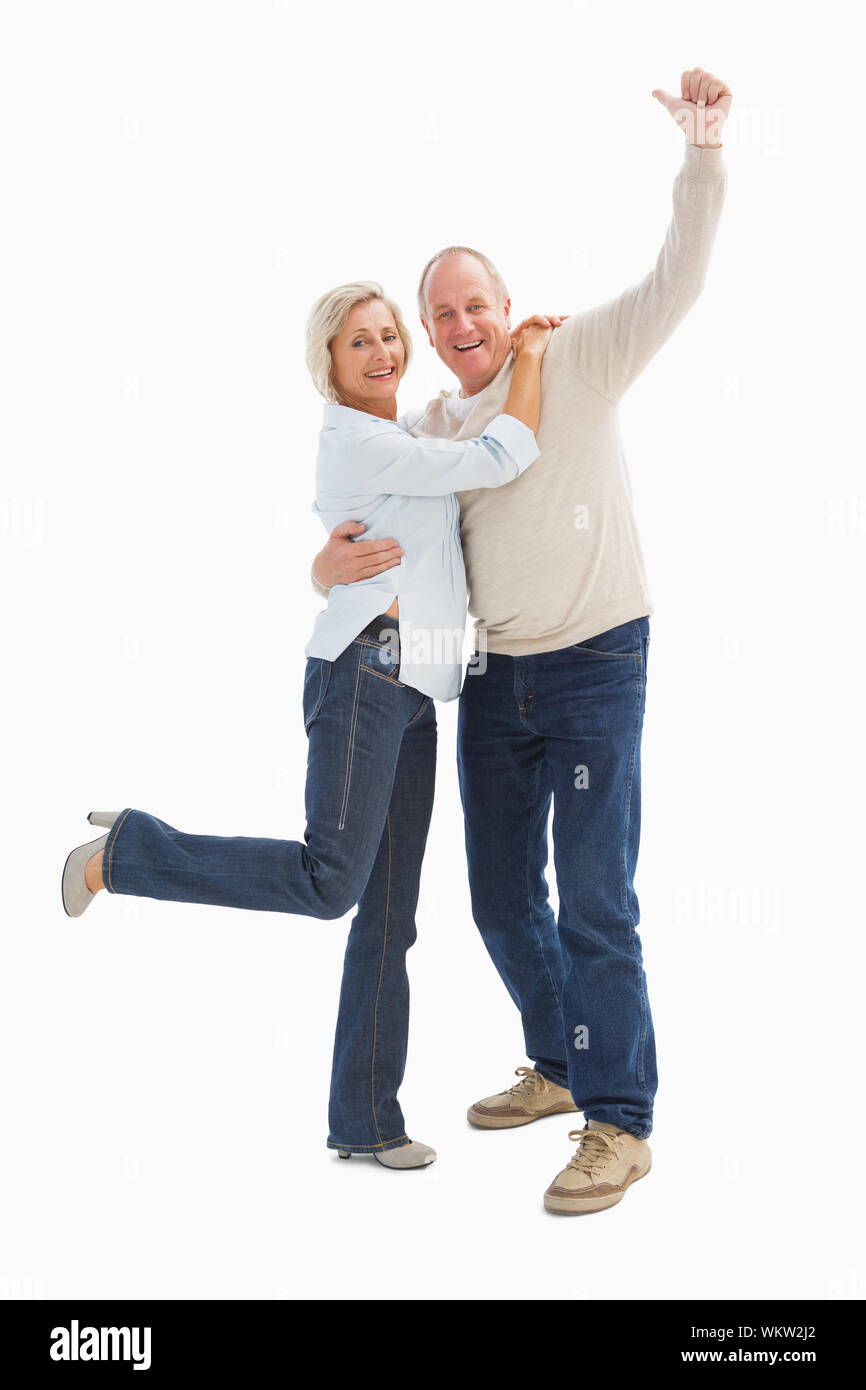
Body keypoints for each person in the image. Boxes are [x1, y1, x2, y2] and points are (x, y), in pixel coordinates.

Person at [307, 68, 732, 1212]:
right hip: (494, 682)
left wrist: (699, 154)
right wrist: (318, 566)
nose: (457, 327)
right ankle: (558, 1059)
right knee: (501, 897)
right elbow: (364, 517)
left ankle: (618, 1119)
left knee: (596, 898)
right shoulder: (438, 423)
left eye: (473, 305)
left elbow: (678, 277)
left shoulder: (582, 354)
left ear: (507, 304)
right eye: (437, 314)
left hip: (595, 661)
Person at [61, 280, 553, 1170]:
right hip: (364, 674)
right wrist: (530, 355)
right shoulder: (359, 437)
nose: (381, 353)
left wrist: (321, 569)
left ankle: (366, 1121)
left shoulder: (397, 438)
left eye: (388, 336)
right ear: (327, 363)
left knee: (390, 917)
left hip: (413, 689)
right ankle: (126, 855)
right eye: (357, 342)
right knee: (333, 883)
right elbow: (504, 451)